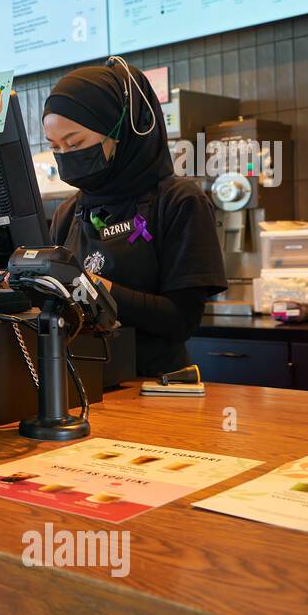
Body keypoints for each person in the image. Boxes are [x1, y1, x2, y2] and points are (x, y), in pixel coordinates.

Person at [41, 57, 227, 376]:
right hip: (82, 386)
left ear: (121, 132)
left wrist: (96, 287)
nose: (65, 156)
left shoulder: (180, 201)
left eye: (75, 143)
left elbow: (180, 320)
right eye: (55, 147)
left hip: (154, 390)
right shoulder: (68, 213)